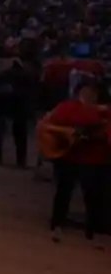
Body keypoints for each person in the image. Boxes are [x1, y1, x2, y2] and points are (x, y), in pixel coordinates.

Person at [40, 76, 108, 241]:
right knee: (69, 191)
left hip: (88, 159)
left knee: (89, 194)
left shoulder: (102, 112)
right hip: (75, 157)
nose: (90, 94)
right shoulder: (68, 108)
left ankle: (90, 227)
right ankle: (61, 222)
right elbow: (46, 126)